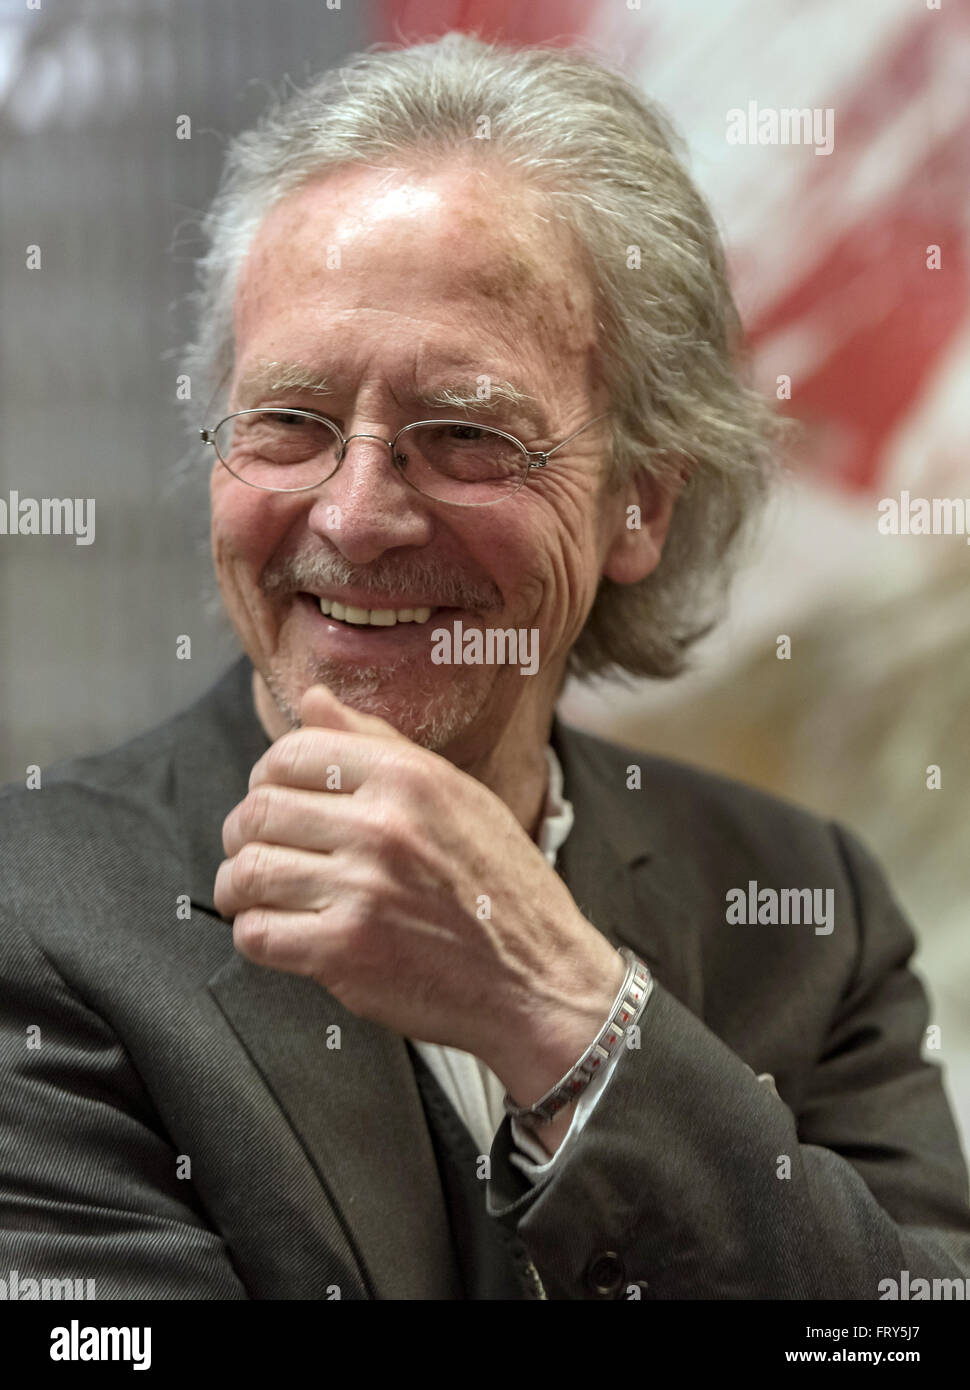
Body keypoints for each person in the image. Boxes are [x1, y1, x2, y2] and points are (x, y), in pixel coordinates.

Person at [1, 31, 968, 1301]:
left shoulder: (801, 910)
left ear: (639, 506)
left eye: (461, 434)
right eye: (287, 423)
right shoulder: (35, 914)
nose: (351, 517)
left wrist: (566, 1016)